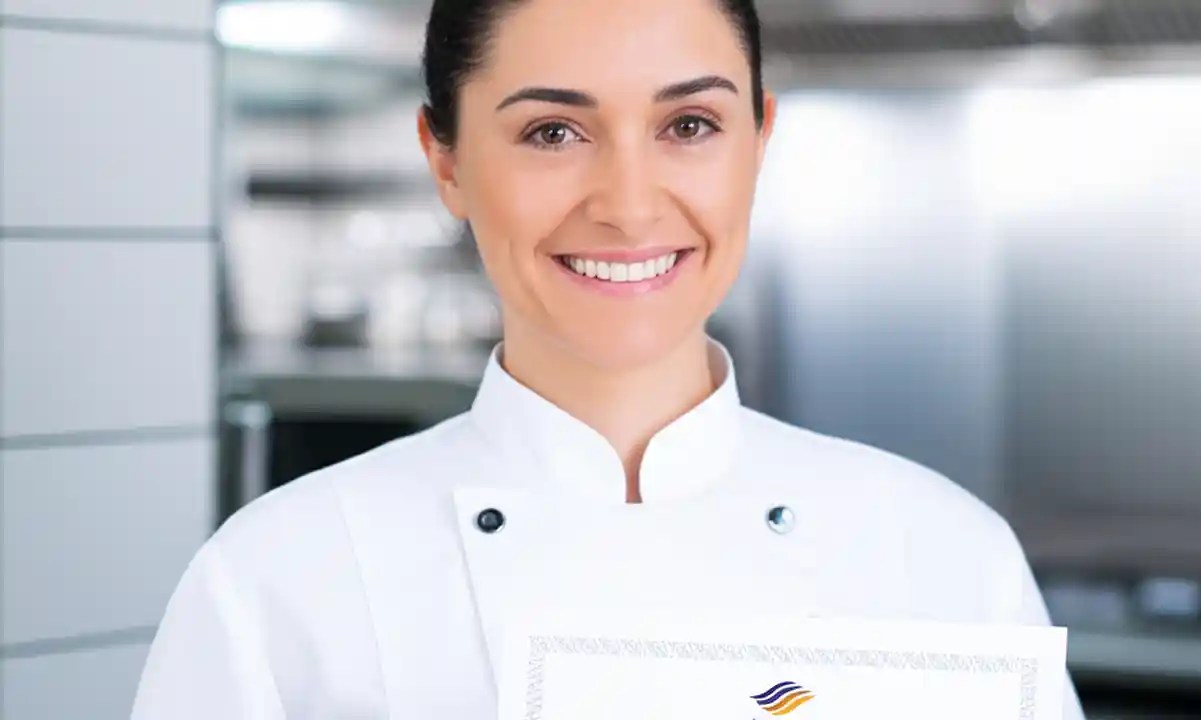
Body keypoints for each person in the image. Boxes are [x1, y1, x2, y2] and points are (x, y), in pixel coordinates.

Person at [132, 0, 1085, 717]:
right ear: (447, 161)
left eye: (689, 126)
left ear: (759, 140)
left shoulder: (946, 556)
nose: (629, 206)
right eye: (554, 132)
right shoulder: (281, 580)